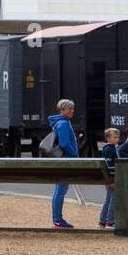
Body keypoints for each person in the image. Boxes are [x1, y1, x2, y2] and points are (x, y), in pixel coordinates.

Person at [47, 98, 79, 229]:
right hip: (65, 161)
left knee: (59, 190)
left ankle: (57, 219)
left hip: (62, 160)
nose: (72, 111)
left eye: (73, 108)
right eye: (69, 108)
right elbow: (64, 143)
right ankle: (58, 220)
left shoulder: (60, 122)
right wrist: (75, 155)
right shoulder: (64, 124)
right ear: (62, 110)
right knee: (60, 190)